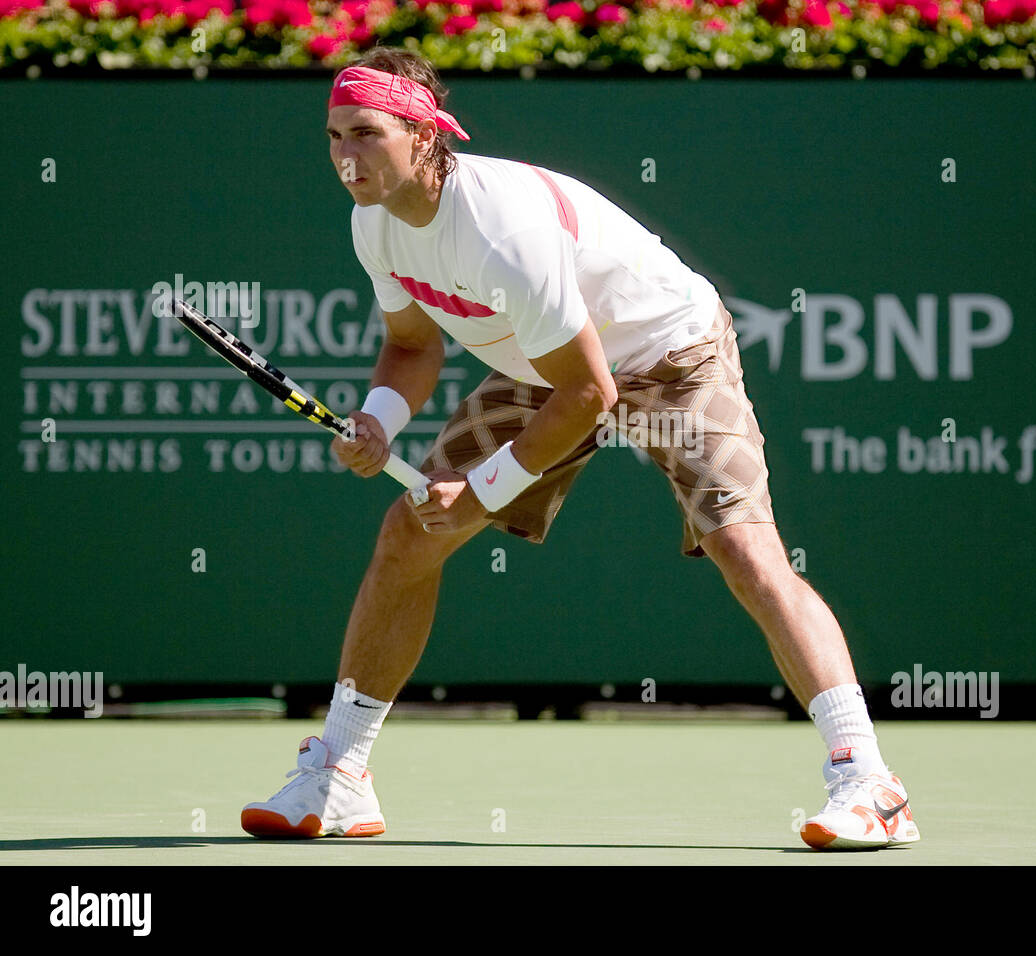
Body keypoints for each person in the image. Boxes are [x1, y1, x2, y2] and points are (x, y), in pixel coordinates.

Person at [240, 47, 919, 851]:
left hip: (669, 354)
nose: (347, 157)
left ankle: (869, 784)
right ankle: (341, 775)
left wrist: (484, 488)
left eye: (367, 134)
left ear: (424, 135)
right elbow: (413, 346)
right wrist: (381, 418)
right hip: (546, 365)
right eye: (335, 136)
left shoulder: (503, 231)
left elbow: (592, 395)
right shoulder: (374, 223)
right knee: (408, 534)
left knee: (745, 550)